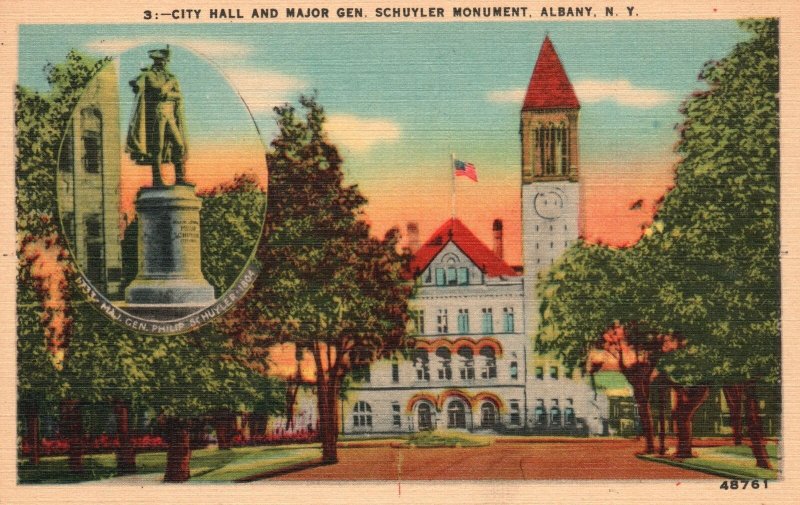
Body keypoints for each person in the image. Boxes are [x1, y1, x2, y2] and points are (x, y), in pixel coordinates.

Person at [126, 47, 188, 187]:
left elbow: (178, 95)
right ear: (157, 61)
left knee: (179, 145)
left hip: (170, 115)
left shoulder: (171, 78)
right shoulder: (148, 75)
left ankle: (179, 178)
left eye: (166, 61)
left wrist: (167, 93)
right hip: (155, 115)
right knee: (157, 147)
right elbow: (140, 86)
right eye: (163, 61)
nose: (165, 63)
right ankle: (157, 179)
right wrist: (139, 84)